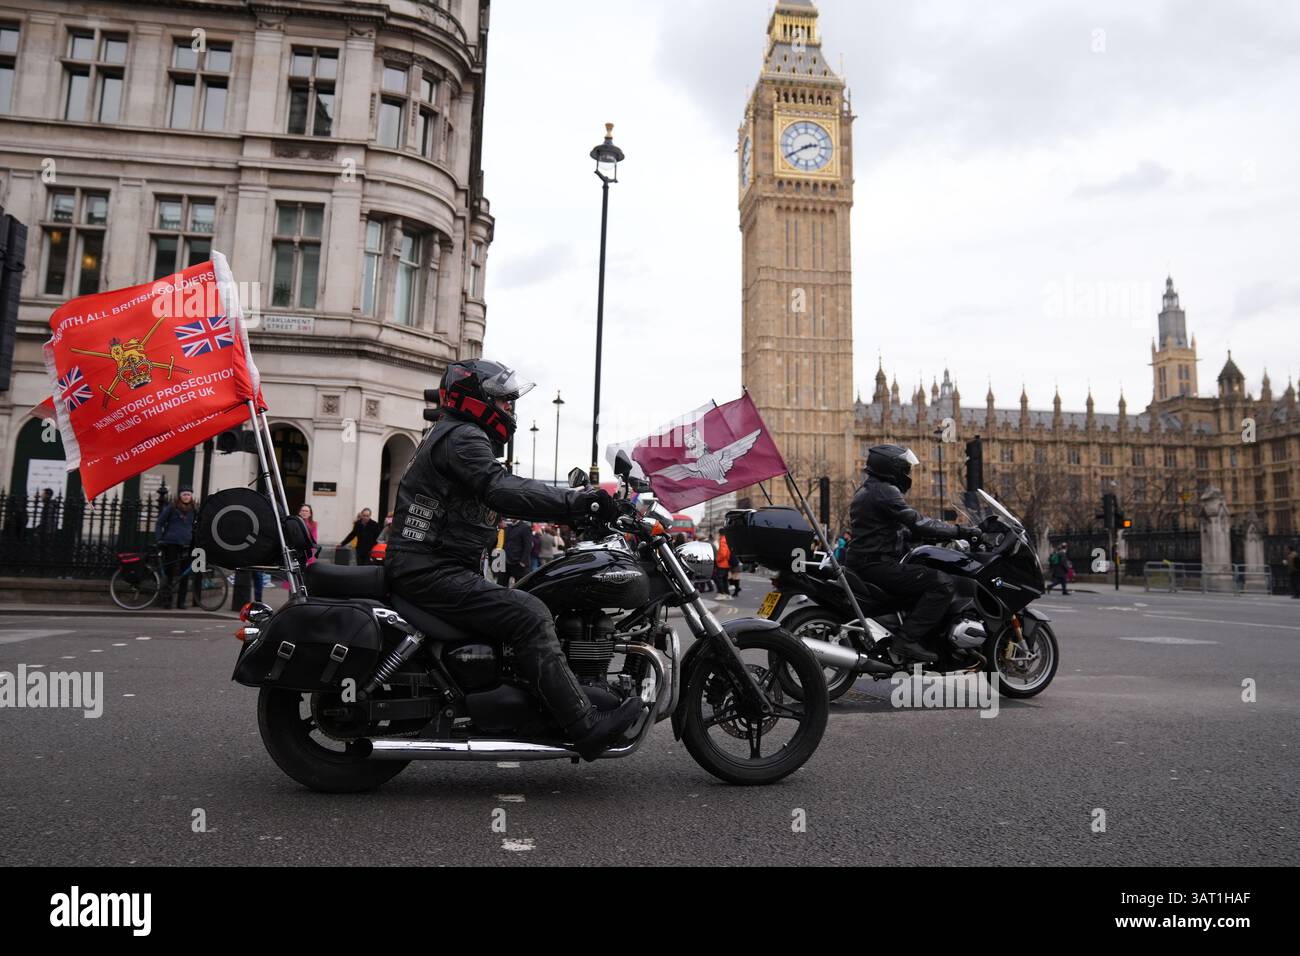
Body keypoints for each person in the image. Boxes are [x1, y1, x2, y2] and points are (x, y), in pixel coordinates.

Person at [386, 359, 642, 761]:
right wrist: (578, 501)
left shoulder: (456, 434)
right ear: (477, 399)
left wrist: (578, 515)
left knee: (526, 608)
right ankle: (583, 725)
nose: (510, 410)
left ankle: (538, 708)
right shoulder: (462, 437)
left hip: (435, 564)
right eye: (503, 401)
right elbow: (500, 488)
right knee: (529, 614)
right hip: (430, 568)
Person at [844, 444, 978, 664]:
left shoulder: (868, 489)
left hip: (865, 561)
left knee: (920, 579)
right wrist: (961, 530)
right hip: (878, 565)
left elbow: (892, 530)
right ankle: (906, 641)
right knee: (941, 584)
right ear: (892, 467)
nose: (907, 472)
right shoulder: (885, 491)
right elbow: (918, 522)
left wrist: (927, 537)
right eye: (904, 467)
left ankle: (912, 634)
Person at [156, 485, 199, 609]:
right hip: (171, 543)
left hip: (187, 544)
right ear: (180, 496)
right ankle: (167, 601)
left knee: (184, 575)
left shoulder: (195, 509)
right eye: (184, 494)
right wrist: (159, 539)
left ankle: (181, 602)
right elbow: (160, 523)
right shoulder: (172, 507)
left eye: (188, 494)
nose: (186, 497)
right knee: (169, 573)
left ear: (191, 496)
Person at [713, 531, 732, 599]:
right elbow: (728, 553)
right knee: (724, 580)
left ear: (719, 534)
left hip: (721, 564)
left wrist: (717, 560)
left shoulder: (722, 540)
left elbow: (723, 553)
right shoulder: (726, 539)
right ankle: (727, 594)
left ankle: (721, 594)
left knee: (719, 579)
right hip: (725, 563)